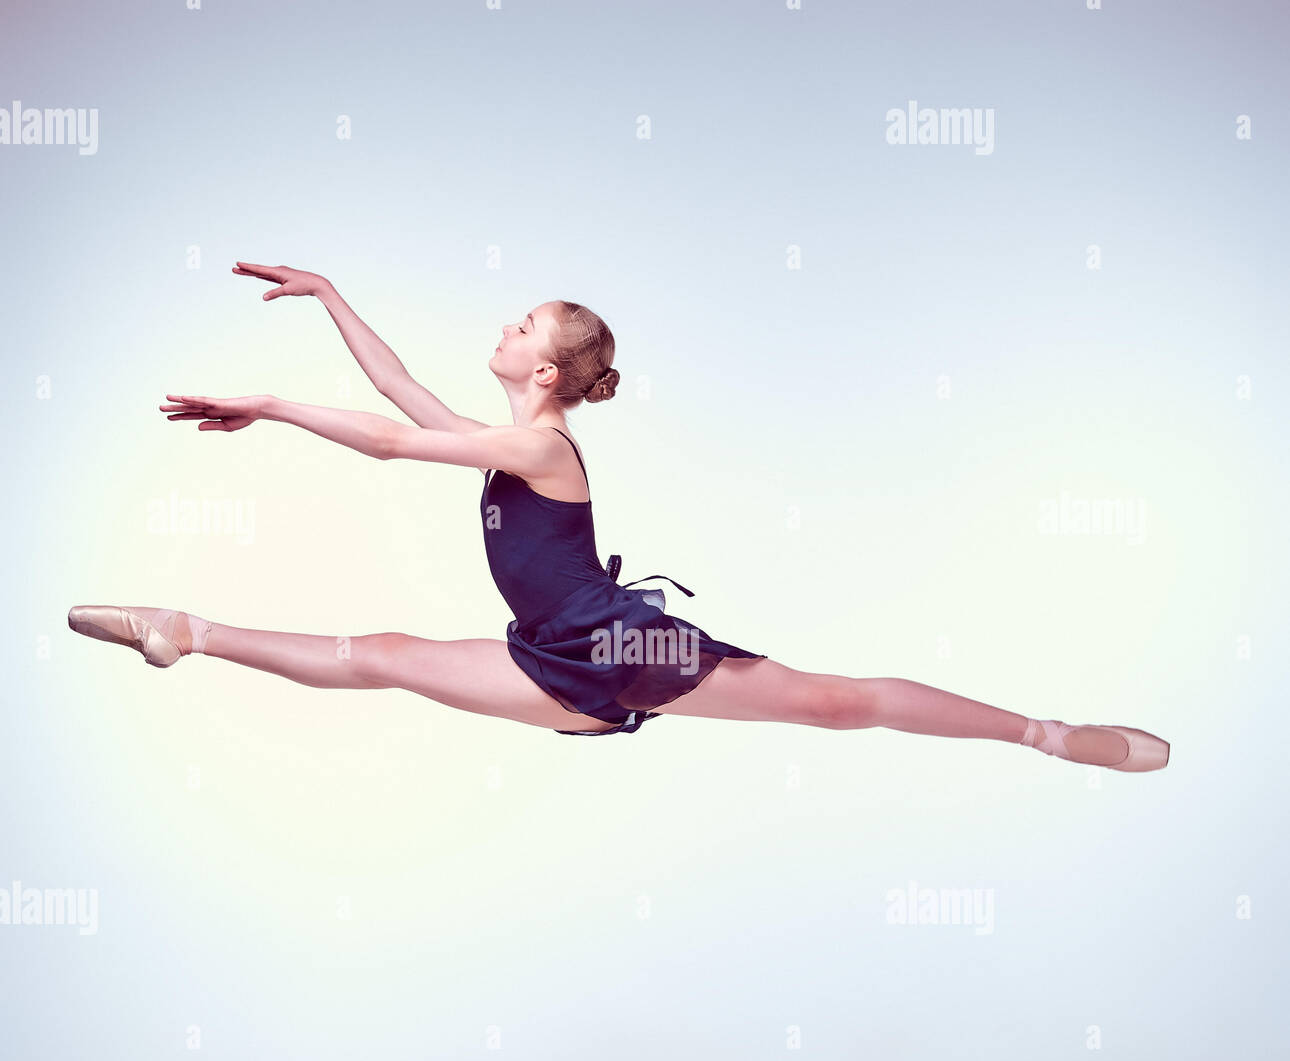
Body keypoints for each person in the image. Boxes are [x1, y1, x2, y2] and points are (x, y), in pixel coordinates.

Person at [68, 262, 1168, 770]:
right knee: (386, 655)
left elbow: (400, 441)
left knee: (833, 702)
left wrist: (263, 402)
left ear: (545, 366)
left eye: (518, 322)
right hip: (554, 654)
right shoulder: (504, 436)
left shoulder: (540, 446)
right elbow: (404, 399)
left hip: (617, 640)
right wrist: (331, 296)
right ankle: (185, 630)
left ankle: (1048, 734)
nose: (501, 327)